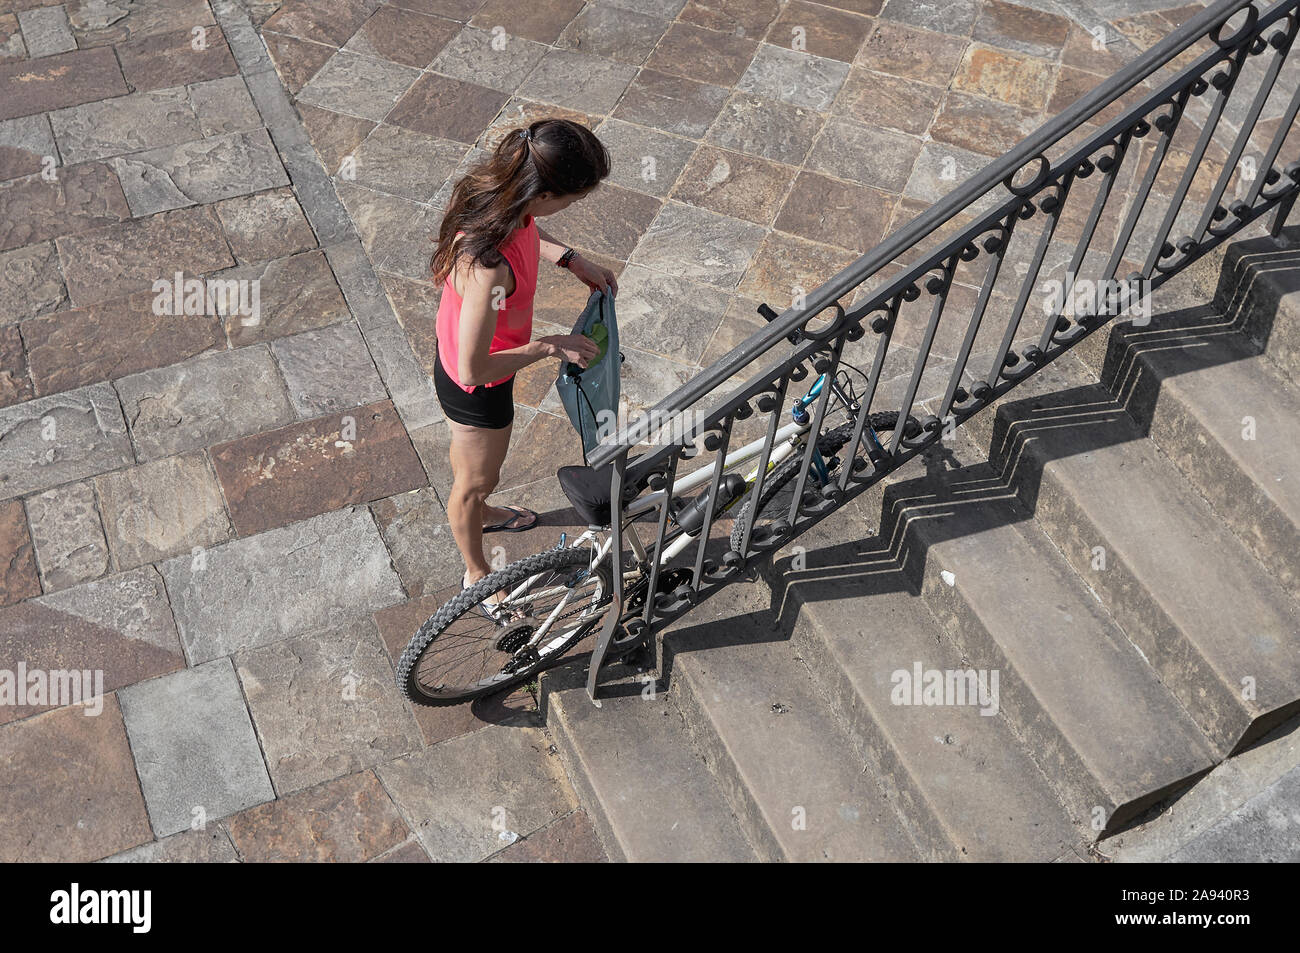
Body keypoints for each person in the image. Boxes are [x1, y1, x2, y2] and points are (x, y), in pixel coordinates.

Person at [429, 118, 619, 597]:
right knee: (473, 482)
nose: (569, 207)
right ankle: (476, 572)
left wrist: (571, 259)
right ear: (541, 194)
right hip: (478, 384)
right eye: (570, 200)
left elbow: (528, 232)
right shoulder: (487, 268)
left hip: (476, 360)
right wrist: (550, 346)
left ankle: (485, 511)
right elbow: (473, 369)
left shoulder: (491, 197)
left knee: (474, 473)